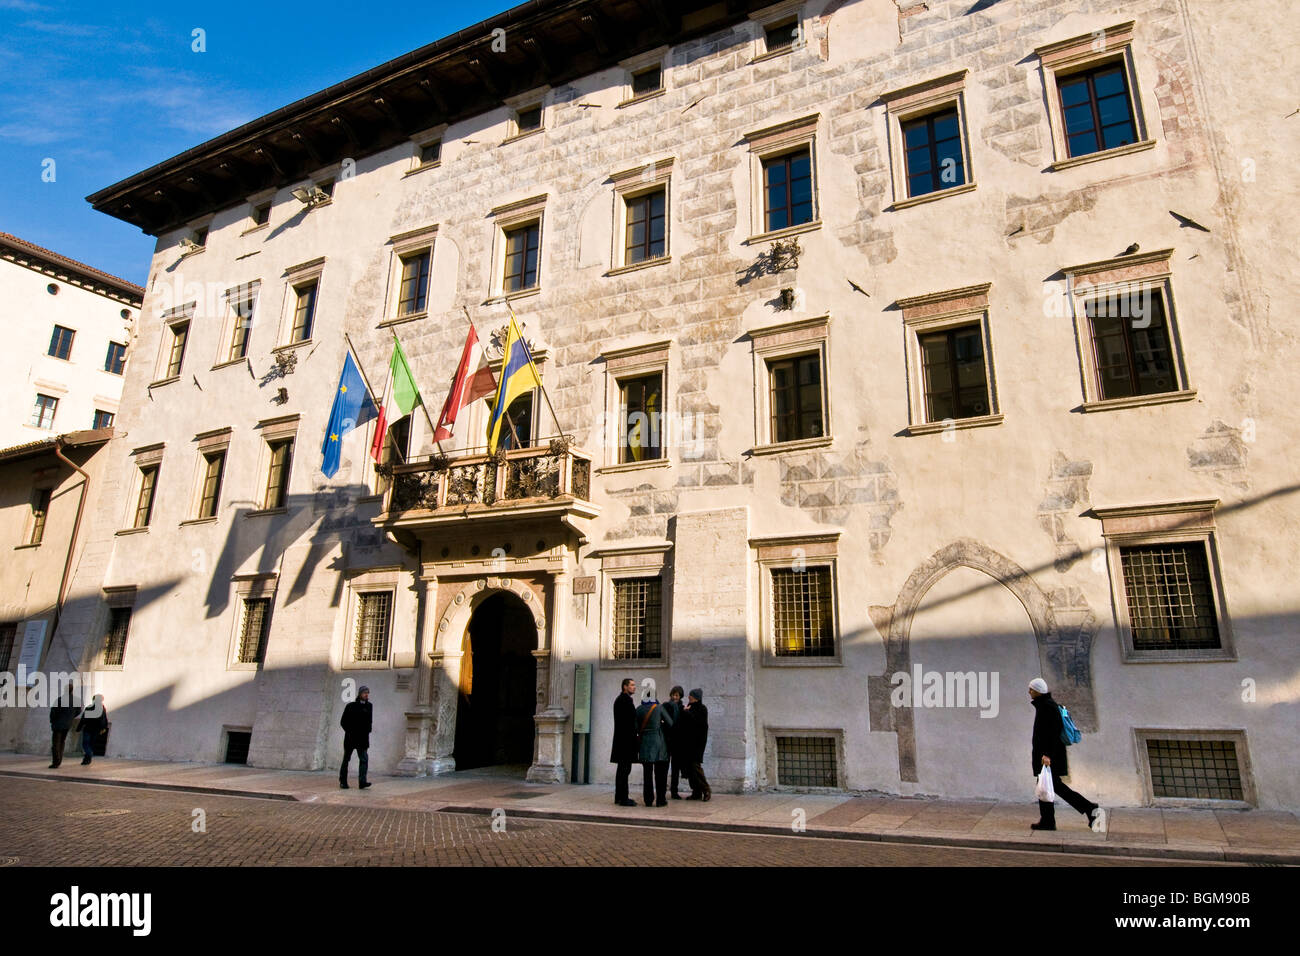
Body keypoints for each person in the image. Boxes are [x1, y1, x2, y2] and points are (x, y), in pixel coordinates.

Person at [1029, 677, 1101, 831]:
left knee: (1049, 787)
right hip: (1047, 756)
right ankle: (1049, 820)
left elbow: (1052, 733)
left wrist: (1047, 755)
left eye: (1031, 689)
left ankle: (1090, 809)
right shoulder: (1045, 705)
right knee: (1047, 787)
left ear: (1038, 691)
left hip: (1047, 757)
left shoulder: (1047, 707)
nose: (1029, 692)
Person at [635, 680, 673, 807]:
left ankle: (648, 799)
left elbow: (635, 728)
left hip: (645, 744)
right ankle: (661, 800)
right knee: (660, 774)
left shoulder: (639, 709)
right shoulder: (659, 708)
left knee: (647, 774)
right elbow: (670, 723)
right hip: (659, 744)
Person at [609, 678, 638, 806]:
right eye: (632, 685)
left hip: (622, 741)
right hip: (626, 741)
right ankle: (623, 798)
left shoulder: (621, 699)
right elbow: (631, 721)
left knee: (622, 770)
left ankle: (619, 796)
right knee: (625, 770)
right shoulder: (625, 700)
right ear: (625, 687)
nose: (634, 687)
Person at [680, 688, 711, 801]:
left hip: (697, 743)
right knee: (689, 768)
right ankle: (696, 791)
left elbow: (699, 725)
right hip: (687, 743)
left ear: (696, 697)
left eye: (691, 696)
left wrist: (687, 713)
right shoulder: (688, 707)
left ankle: (706, 789)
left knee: (695, 766)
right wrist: (685, 712)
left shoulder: (702, 709)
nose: (689, 697)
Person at [340, 685, 373, 790]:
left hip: (363, 739)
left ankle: (362, 782)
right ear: (360, 694)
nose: (366, 694)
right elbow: (343, 722)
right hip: (351, 738)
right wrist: (350, 732)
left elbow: (369, 721)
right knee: (346, 759)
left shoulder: (369, 706)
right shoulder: (351, 706)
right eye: (364, 692)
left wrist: (368, 731)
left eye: (368, 692)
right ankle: (343, 781)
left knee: (364, 759)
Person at [663, 685, 689, 799]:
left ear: (680, 696)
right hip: (667, 740)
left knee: (676, 768)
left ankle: (674, 790)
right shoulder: (666, 706)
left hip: (677, 742)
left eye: (677, 695)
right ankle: (662, 790)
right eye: (673, 695)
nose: (674, 697)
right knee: (664, 766)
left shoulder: (683, 708)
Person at [49, 686, 80, 769]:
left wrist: (52, 721)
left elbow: (53, 712)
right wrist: (70, 718)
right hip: (67, 724)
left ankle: (56, 762)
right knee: (62, 742)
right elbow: (78, 711)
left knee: (56, 743)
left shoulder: (59, 699)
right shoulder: (76, 700)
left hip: (58, 724)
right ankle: (59, 760)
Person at [74, 695, 108, 766]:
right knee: (91, 744)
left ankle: (89, 755)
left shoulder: (89, 708)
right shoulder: (102, 708)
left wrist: (79, 728)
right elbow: (104, 719)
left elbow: (84, 719)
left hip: (88, 728)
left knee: (85, 744)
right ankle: (87, 759)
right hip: (96, 730)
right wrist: (104, 727)